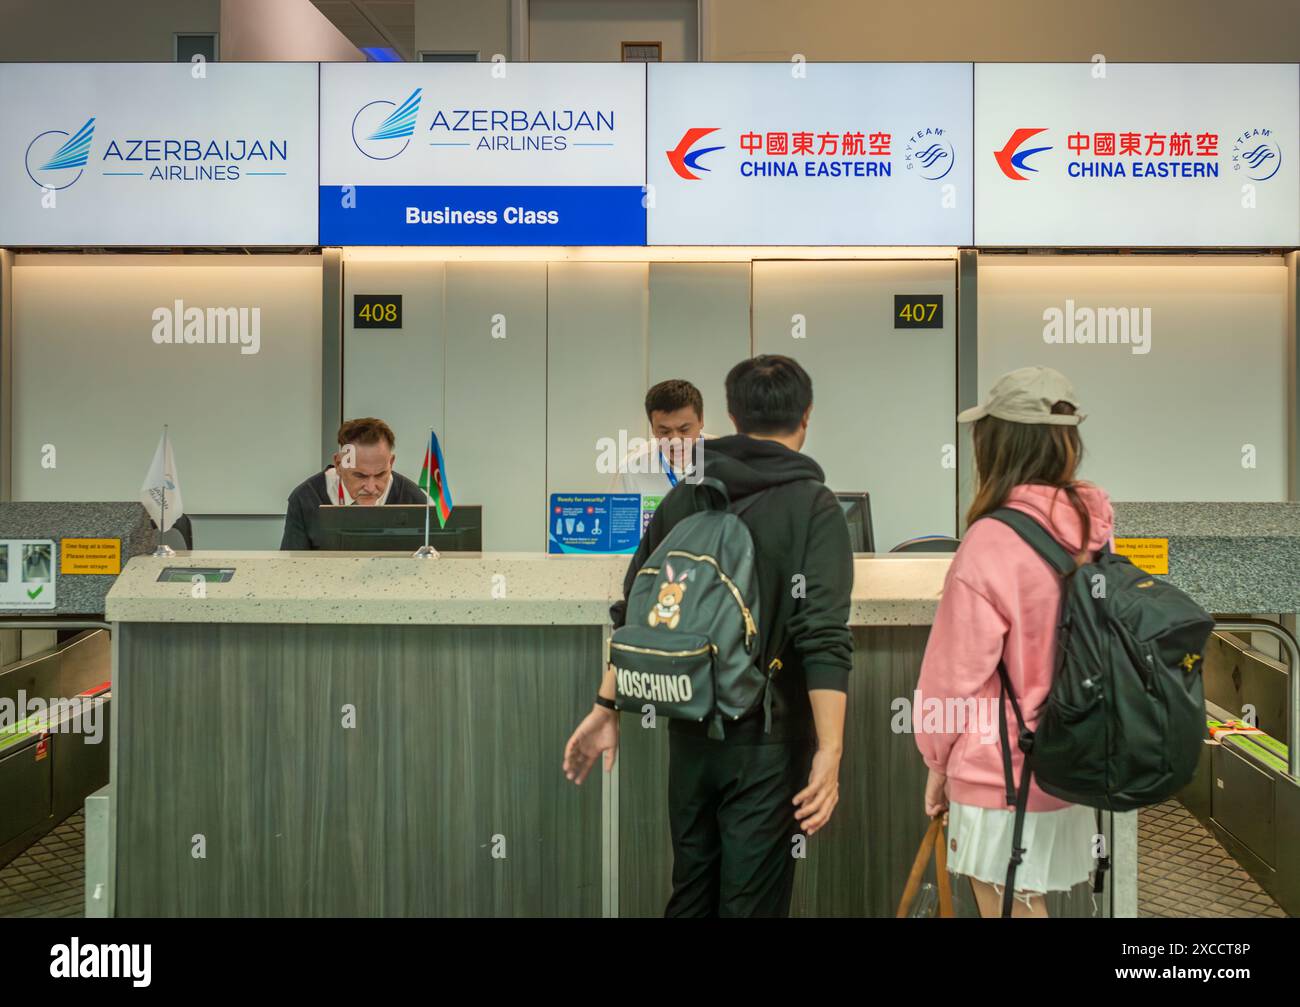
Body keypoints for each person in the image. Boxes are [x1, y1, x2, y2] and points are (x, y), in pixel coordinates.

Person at [564, 354, 853, 918]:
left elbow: (640, 613)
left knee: (692, 891)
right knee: (750, 902)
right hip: (768, 733)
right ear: (807, 415)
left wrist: (608, 704)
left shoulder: (687, 495)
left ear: (729, 415)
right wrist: (831, 748)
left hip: (689, 725)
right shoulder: (813, 505)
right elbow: (821, 634)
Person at [915, 365, 1113, 918]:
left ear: (997, 444)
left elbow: (954, 673)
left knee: (1013, 909)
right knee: (1030, 906)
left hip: (1000, 768)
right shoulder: (1091, 526)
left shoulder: (991, 540)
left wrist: (936, 761)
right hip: (1068, 755)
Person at [280, 417, 430, 550]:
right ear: (339, 464)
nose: (371, 488)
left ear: (391, 463)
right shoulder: (305, 498)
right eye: (360, 475)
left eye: (380, 474)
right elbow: (291, 569)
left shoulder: (412, 499)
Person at [611, 379, 710, 497]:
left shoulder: (728, 459)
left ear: (701, 420)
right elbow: (616, 514)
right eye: (665, 431)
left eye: (684, 430)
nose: (675, 440)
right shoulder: (631, 468)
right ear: (652, 428)